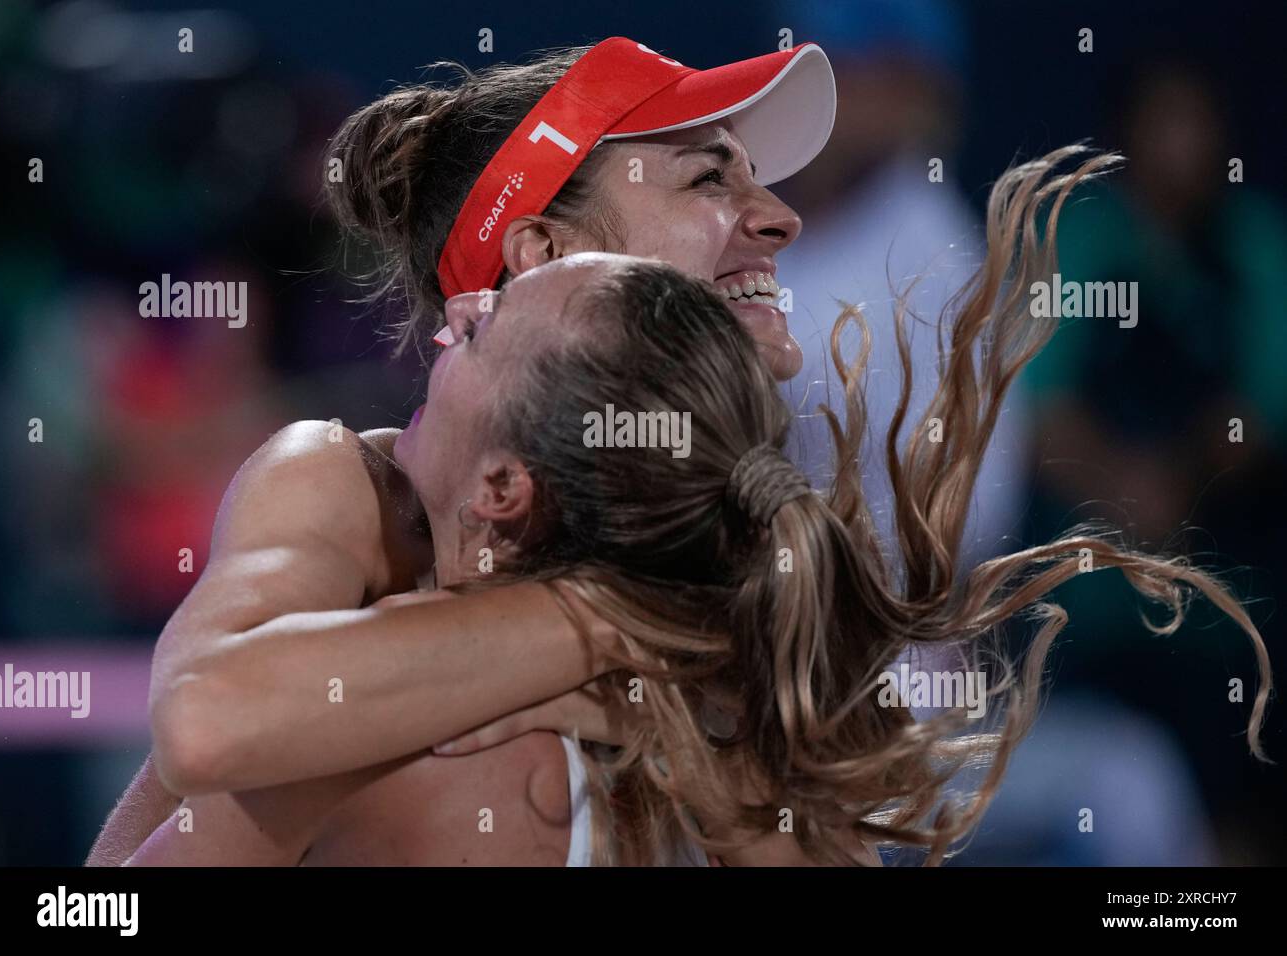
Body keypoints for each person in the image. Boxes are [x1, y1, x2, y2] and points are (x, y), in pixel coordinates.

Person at [129, 232, 1269, 867]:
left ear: (503, 488)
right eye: (713, 175)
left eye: (484, 328)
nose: (455, 307)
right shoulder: (756, 749)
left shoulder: (371, 743)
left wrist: (583, 626)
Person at [87, 35, 839, 865]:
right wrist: (629, 628)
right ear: (547, 253)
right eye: (709, 175)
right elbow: (196, 734)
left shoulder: (749, 528)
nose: (781, 215)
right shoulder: (354, 491)